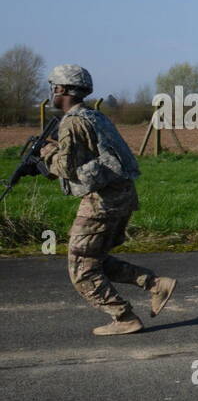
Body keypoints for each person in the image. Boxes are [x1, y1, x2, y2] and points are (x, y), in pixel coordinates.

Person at [37, 65, 176, 335]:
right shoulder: (94, 116)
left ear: (61, 89)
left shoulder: (73, 121)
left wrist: (47, 153)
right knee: (94, 259)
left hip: (102, 201)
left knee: (80, 267)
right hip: (121, 196)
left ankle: (123, 317)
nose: (52, 91)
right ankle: (156, 284)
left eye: (54, 87)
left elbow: (65, 168)